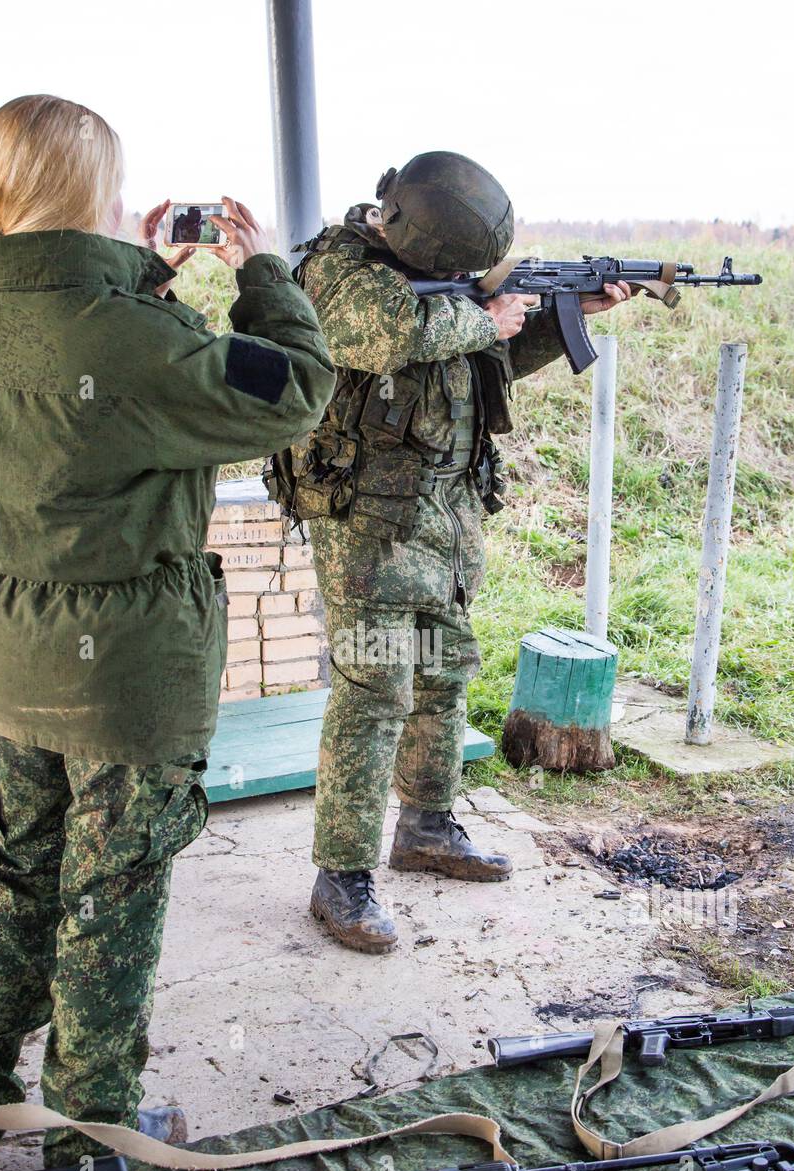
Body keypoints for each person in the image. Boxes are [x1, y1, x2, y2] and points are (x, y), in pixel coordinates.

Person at [0, 94, 335, 1169]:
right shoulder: (136, 343)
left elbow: (83, 381)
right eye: (113, 189)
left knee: (17, 884)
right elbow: (294, 390)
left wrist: (144, 273)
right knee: (105, 912)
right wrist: (264, 276)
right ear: (88, 194)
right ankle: (88, 1135)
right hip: (124, 677)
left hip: (14, 664)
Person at [268, 151, 634, 954]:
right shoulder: (338, 268)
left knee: (442, 677)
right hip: (368, 524)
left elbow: (485, 362)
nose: (474, 276)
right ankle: (342, 877)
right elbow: (386, 333)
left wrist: (559, 317)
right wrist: (487, 314)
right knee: (373, 695)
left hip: (448, 515)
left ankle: (427, 826)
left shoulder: (453, 291)